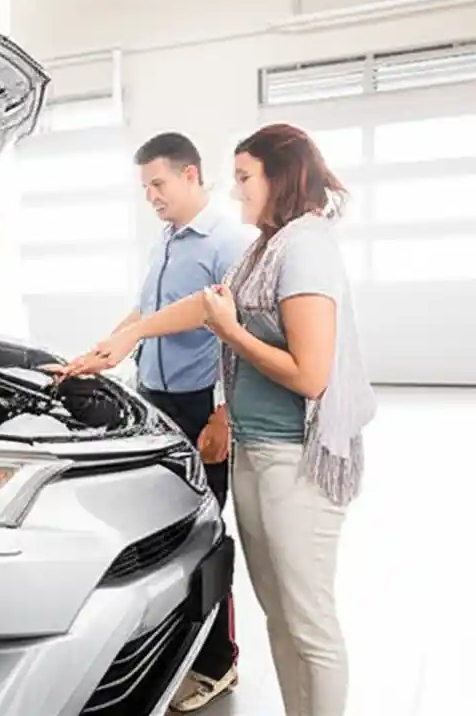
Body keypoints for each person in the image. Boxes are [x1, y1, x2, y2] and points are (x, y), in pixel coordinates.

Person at [54, 123, 375, 716]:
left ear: (282, 176)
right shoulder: (265, 245)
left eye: (246, 177)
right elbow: (202, 305)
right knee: (280, 615)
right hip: (260, 452)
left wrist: (228, 338)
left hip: (294, 459)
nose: (238, 191)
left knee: (310, 622)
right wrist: (122, 342)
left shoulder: (304, 246)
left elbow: (310, 375)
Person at [118, 132, 252, 712]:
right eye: (145, 186)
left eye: (159, 183)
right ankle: (172, 642)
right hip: (153, 398)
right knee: (161, 534)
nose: (151, 195)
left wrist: (224, 412)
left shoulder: (228, 241)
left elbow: (240, 336)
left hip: (201, 407)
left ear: (192, 175)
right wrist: (111, 347)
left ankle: (219, 663)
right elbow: (147, 314)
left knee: (204, 536)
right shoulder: (168, 239)